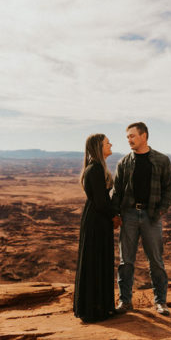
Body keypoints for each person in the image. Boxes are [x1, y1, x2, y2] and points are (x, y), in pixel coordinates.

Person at [111, 122, 171, 316]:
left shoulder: (161, 160)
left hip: (152, 216)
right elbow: (117, 191)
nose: (129, 140)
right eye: (128, 137)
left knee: (156, 261)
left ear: (144, 136)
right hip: (129, 215)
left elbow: (168, 188)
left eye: (132, 136)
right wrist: (115, 213)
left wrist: (161, 210)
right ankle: (125, 301)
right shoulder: (124, 162)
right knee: (126, 261)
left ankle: (160, 302)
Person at [74, 134, 122, 323]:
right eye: (107, 143)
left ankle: (100, 307)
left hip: (97, 219)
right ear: (98, 147)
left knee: (98, 261)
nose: (110, 144)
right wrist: (114, 216)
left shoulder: (96, 167)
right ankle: (94, 310)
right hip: (97, 220)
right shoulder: (94, 169)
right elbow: (101, 202)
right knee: (96, 261)